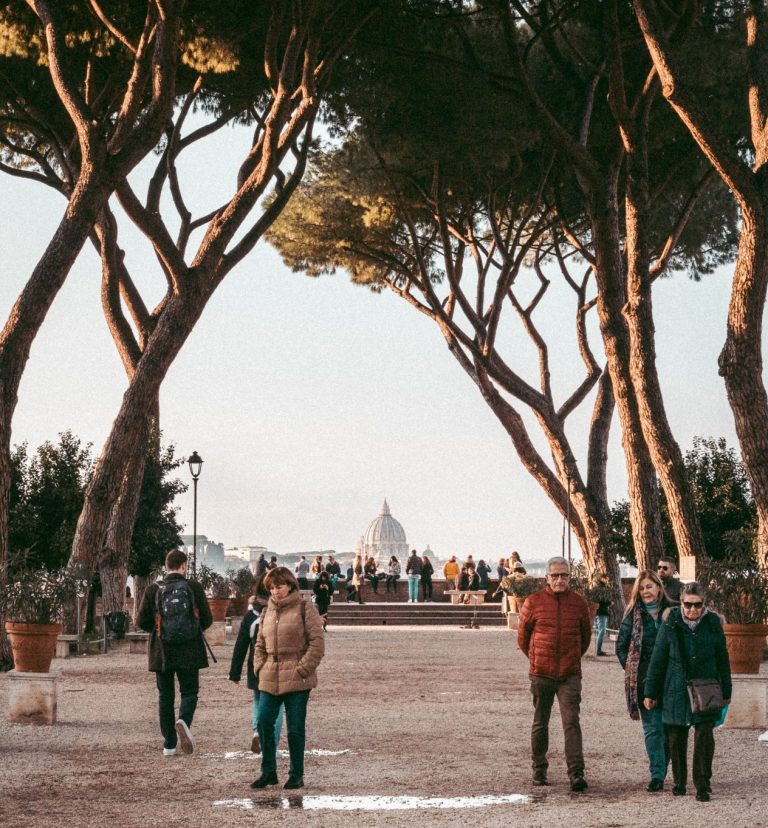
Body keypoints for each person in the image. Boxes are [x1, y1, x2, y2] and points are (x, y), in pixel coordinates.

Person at [643, 582, 732, 802]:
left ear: (704, 604)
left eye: (697, 605)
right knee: (676, 736)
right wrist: (650, 692)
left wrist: (727, 691)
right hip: (676, 686)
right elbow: (658, 659)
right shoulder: (670, 622)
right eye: (688, 604)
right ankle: (679, 782)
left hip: (706, 687)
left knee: (704, 736)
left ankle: (702, 783)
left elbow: (723, 659)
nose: (692, 609)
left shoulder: (712, 624)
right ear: (681, 602)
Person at [518, 556, 591, 791]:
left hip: (569, 673)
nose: (560, 579)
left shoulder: (579, 603)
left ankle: (576, 773)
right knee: (541, 722)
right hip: (542, 672)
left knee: (572, 723)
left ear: (570, 577)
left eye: (564, 575)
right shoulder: (533, 602)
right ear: (547, 578)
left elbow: (585, 637)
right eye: (555, 575)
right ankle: (539, 770)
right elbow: (523, 638)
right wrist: (537, 658)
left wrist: (571, 658)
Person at [250, 567, 325, 790]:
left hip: (297, 676)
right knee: (263, 721)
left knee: (294, 728)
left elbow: (317, 643)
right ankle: (268, 770)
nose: (275, 591)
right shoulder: (266, 612)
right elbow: (260, 644)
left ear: (290, 585)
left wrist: (302, 669)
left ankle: (296, 774)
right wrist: (259, 667)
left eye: (279, 586)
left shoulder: (304, 608)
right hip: (270, 674)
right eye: (271, 587)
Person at [137, 549, 213, 757]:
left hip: (163, 651)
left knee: (165, 696)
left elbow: (141, 621)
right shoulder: (194, 587)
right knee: (189, 692)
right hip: (190, 650)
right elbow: (207, 619)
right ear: (184, 566)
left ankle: (169, 744)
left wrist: (160, 628)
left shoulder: (154, 589)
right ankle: (184, 721)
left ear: (166, 565)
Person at [616, 570, 674, 792]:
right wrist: (633, 670)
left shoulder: (674, 612)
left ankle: (665, 766)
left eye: (649, 586)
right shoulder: (632, 615)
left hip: (670, 679)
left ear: (659, 587)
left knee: (670, 727)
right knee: (652, 728)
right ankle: (657, 775)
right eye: (641, 588)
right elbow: (621, 646)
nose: (645, 591)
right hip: (644, 680)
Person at [228, 590, 284, 753]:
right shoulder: (281, 610)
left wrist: (235, 672)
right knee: (278, 704)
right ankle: (271, 743)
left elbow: (241, 645)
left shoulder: (251, 614)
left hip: (255, 665)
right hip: (276, 664)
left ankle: (257, 731)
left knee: (258, 699)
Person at [594, 575, 612, 656]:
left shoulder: (595, 591)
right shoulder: (603, 591)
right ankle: (598, 651)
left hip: (597, 613)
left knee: (599, 631)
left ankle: (598, 649)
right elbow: (605, 601)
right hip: (602, 613)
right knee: (602, 631)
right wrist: (610, 603)